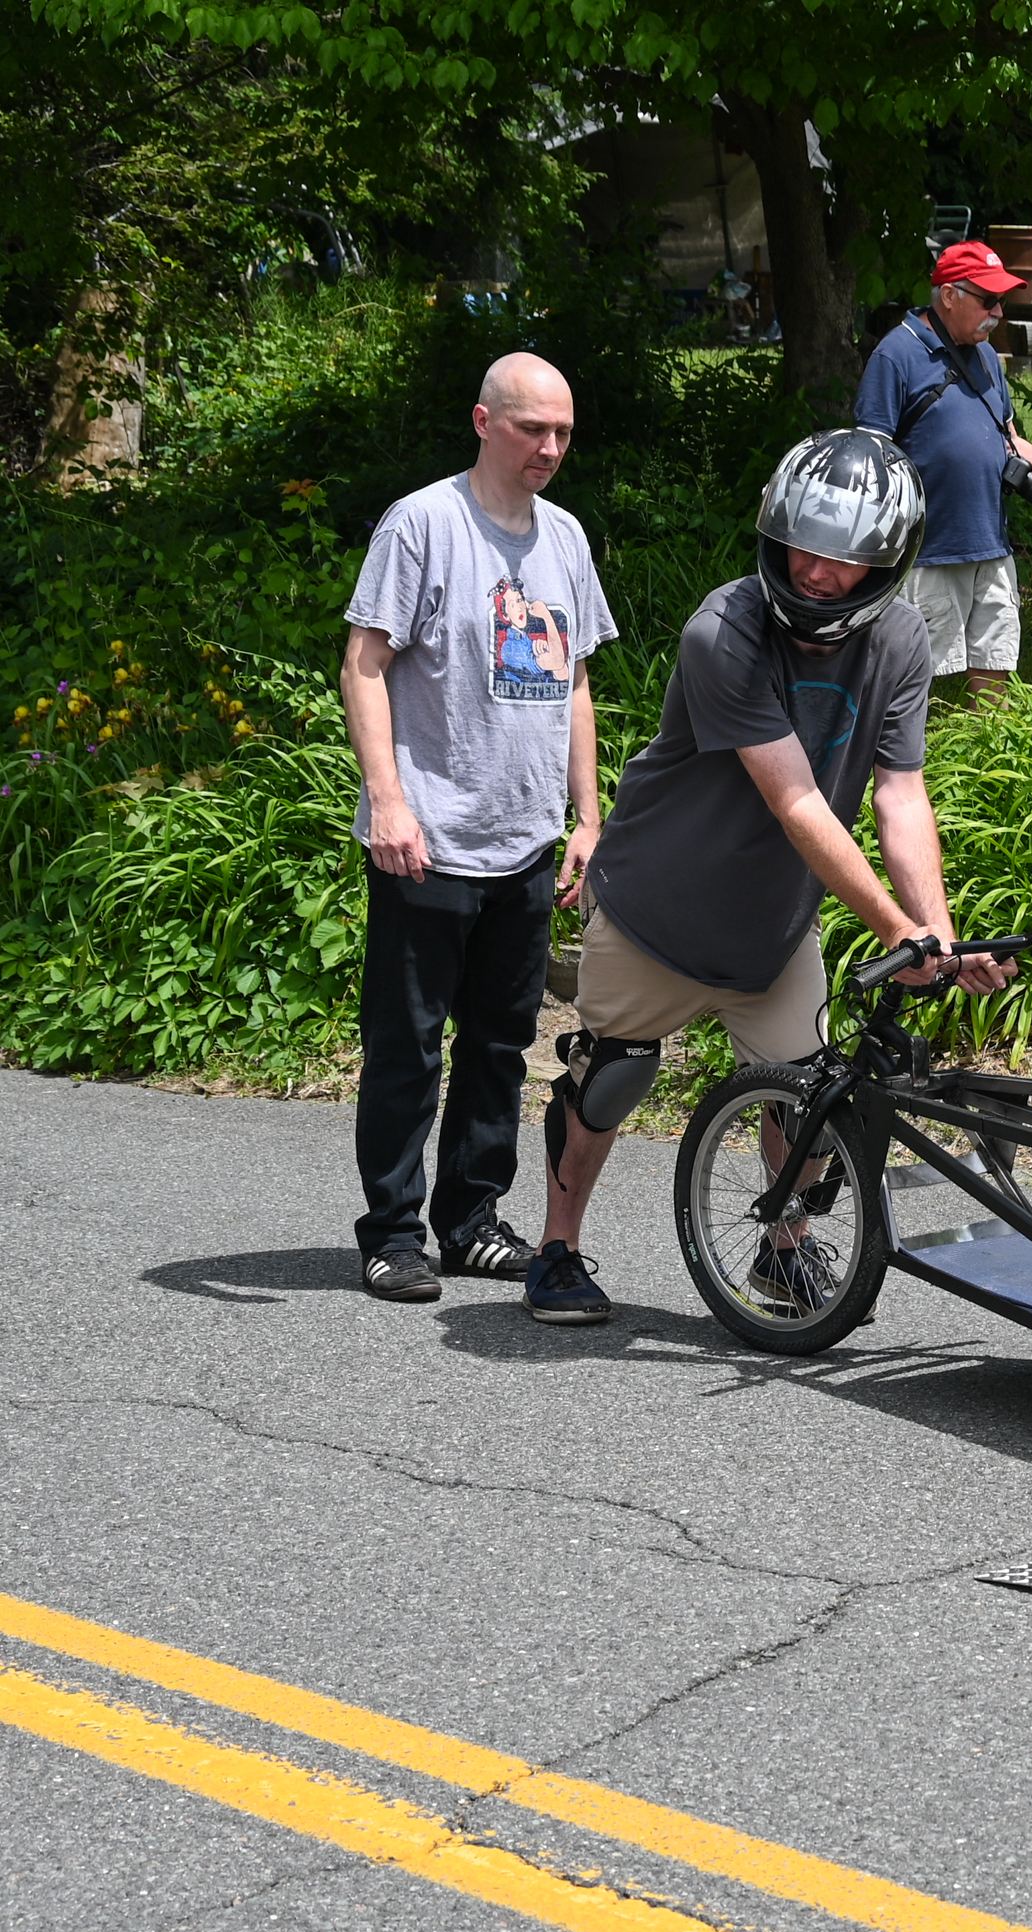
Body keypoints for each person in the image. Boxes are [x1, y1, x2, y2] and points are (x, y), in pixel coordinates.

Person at [523, 428, 1005, 1325]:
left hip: (774, 922)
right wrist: (894, 930)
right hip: (658, 905)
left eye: (845, 562)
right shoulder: (724, 631)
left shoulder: (898, 639)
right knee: (612, 1078)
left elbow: (901, 796)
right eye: (804, 549)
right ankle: (558, 1249)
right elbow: (798, 806)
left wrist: (933, 934)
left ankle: (782, 1256)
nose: (817, 575)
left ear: (887, 563)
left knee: (811, 1094)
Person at [340, 351, 615, 1304]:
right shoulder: (422, 524)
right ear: (483, 420)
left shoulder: (566, 539)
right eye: (533, 428)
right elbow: (364, 664)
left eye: (564, 433)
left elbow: (576, 679)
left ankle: (469, 1220)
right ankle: (391, 1232)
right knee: (409, 1044)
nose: (549, 448)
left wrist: (586, 815)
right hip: (428, 840)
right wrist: (388, 799)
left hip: (526, 840)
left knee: (501, 1043)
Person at [852, 239, 1032, 704]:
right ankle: (908, 763)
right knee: (910, 672)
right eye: (988, 301)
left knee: (996, 656)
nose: (998, 313)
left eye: (1001, 301)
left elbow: (1011, 440)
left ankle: (989, 753)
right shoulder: (896, 356)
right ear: (950, 295)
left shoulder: (986, 356)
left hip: (989, 541)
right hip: (928, 550)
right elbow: (870, 457)